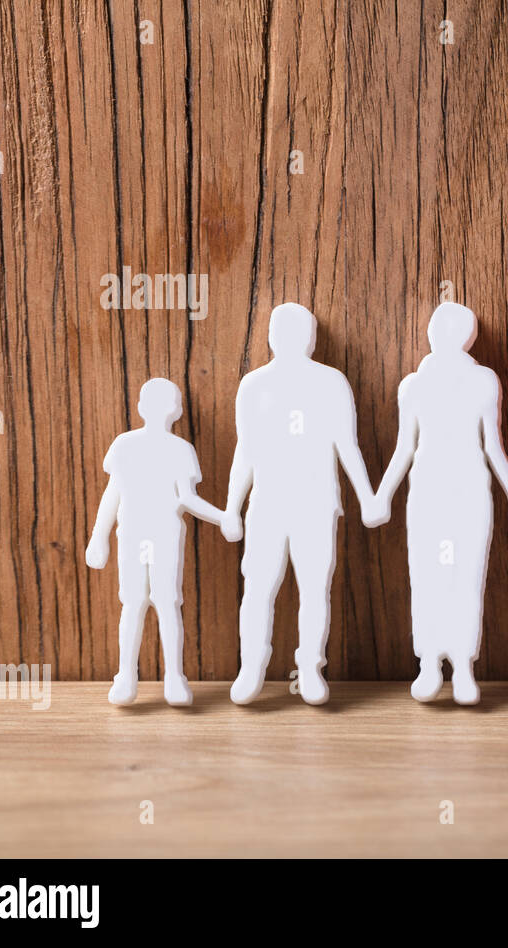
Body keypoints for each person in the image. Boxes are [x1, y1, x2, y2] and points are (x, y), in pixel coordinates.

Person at [374, 302, 508, 705]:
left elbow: (493, 446)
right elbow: (404, 448)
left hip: (467, 490)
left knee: (463, 575)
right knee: (429, 575)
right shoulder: (413, 386)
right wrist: (382, 496)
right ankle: (430, 664)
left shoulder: (483, 381)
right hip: (429, 490)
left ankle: (462, 668)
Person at [223, 302, 383, 706]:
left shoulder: (331, 383)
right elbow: (246, 451)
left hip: (314, 502)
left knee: (313, 588)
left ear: (310, 339)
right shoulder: (254, 385)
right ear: (272, 338)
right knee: (258, 587)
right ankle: (251, 669)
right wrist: (231, 508)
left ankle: (310, 668)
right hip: (268, 503)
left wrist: (367, 498)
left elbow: (348, 446)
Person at [85, 378, 231, 706]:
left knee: (165, 604)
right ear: (176, 409)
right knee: (136, 603)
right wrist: (98, 537)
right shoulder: (124, 445)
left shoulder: (180, 450)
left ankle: (175, 678)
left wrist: (222, 517)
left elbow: (187, 499)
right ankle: (126, 676)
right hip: (134, 534)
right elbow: (114, 493)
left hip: (164, 535)